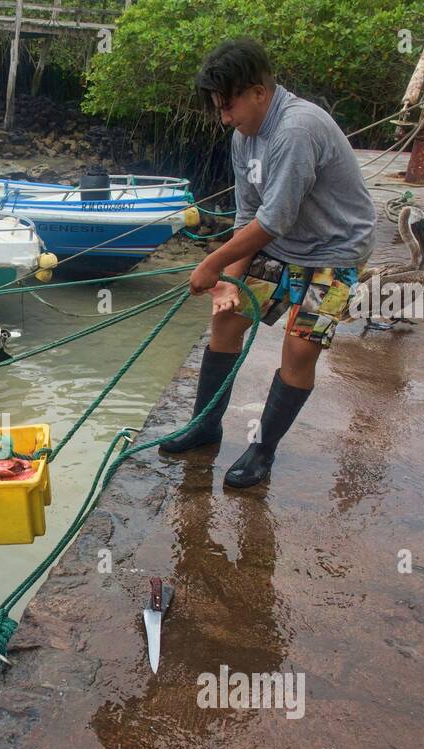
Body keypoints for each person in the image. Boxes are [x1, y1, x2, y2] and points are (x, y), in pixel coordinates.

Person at [163, 38, 376, 488]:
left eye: (229, 106)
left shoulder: (296, 130)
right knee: (226, 321)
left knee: (299, 349)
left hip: (332, 253)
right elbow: (247, 215)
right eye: (219, 109)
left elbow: (273, 220)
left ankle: (263, 451)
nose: (225, 119)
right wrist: (227, 281)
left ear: (259, 92)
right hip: (280, 247)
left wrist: (209, 264)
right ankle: (205, 425)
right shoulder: (244, 137)